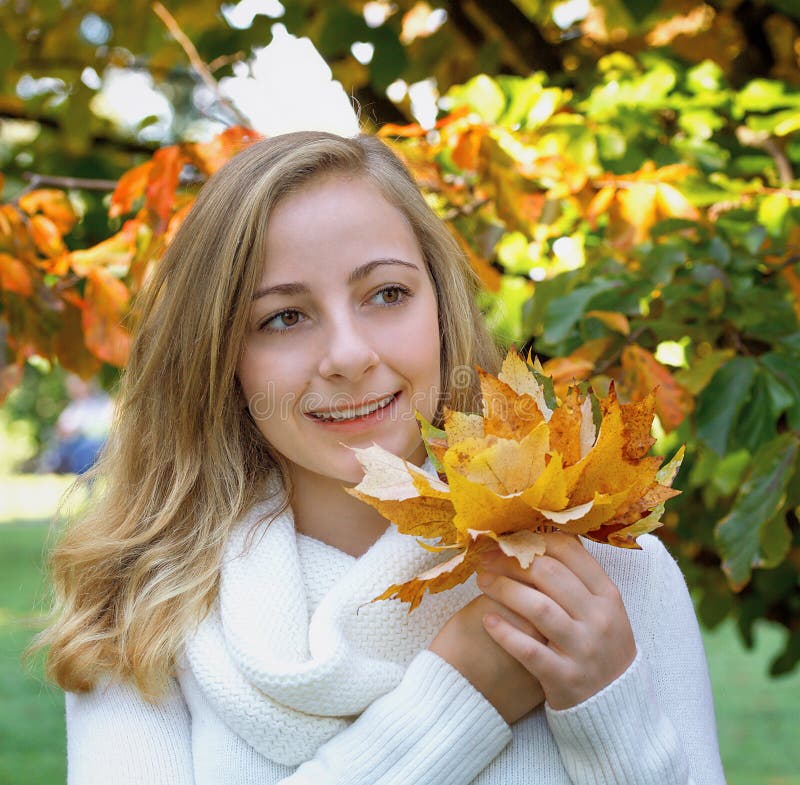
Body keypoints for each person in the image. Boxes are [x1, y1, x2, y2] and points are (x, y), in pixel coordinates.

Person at [35, 131, 727, 785]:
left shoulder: (603, 570)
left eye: (386, 294)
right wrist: (459, 698)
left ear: (440, 308)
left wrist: (608, 708)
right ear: (220, 357)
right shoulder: (144, 609)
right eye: (284, 316)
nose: (349, 355)